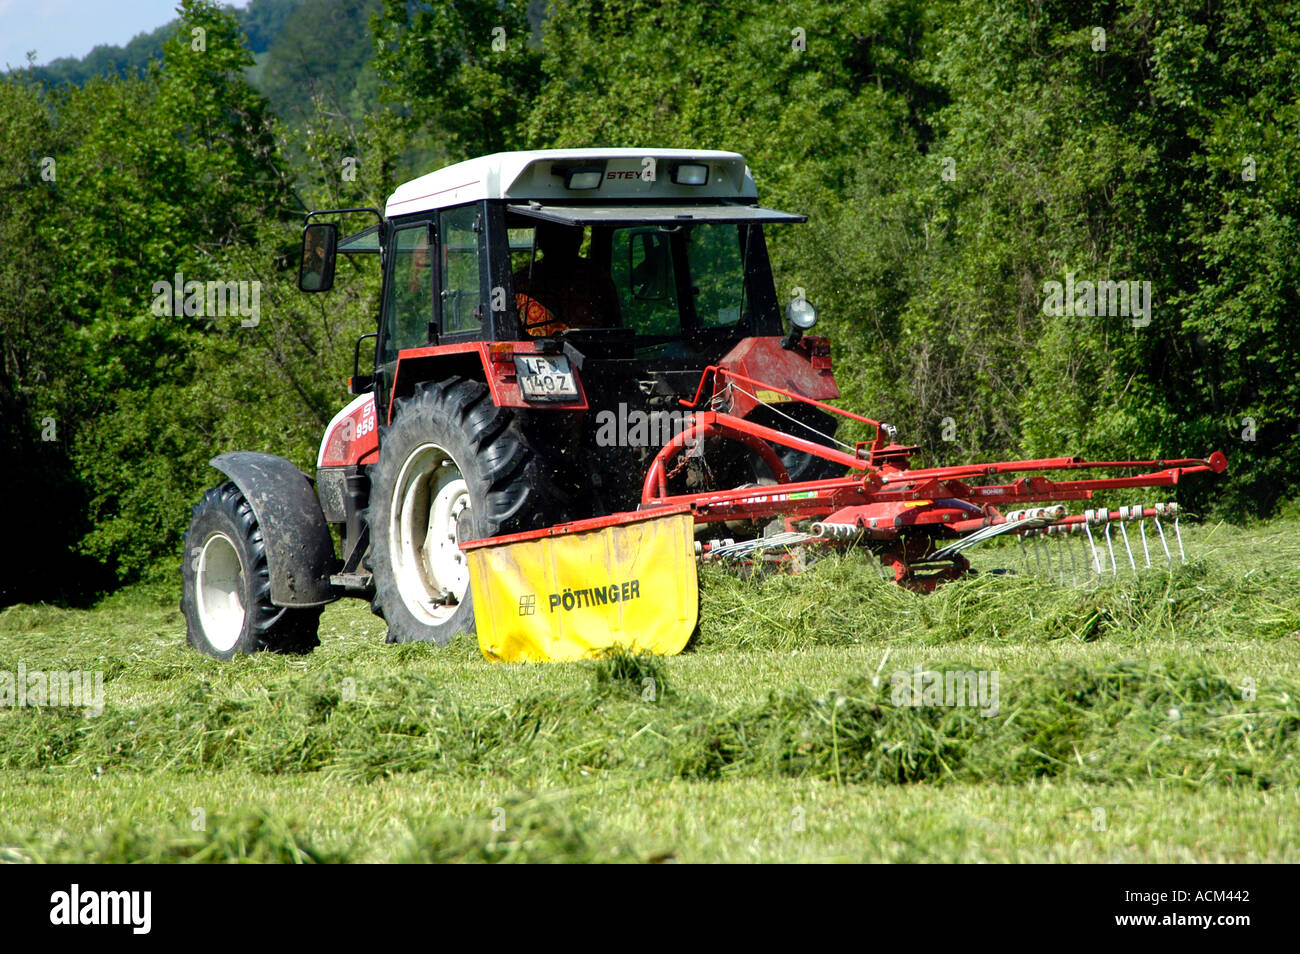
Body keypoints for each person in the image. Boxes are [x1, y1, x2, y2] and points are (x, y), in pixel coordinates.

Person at [514, 222, 621, 336]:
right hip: (534, 353)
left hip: (592, 352)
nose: (561, 244)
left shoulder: (598, 279)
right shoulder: (522, 282)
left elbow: (615, 332)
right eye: (555, 237)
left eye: (567, 237)